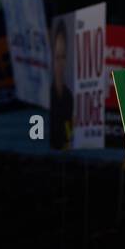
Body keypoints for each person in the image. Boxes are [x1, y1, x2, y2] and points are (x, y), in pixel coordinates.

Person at [49, 18, 74, 151]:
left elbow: (69, 134)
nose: (60, 64)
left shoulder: (68, 96)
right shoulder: (45, 96)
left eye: (63, 57)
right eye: (57, 57)